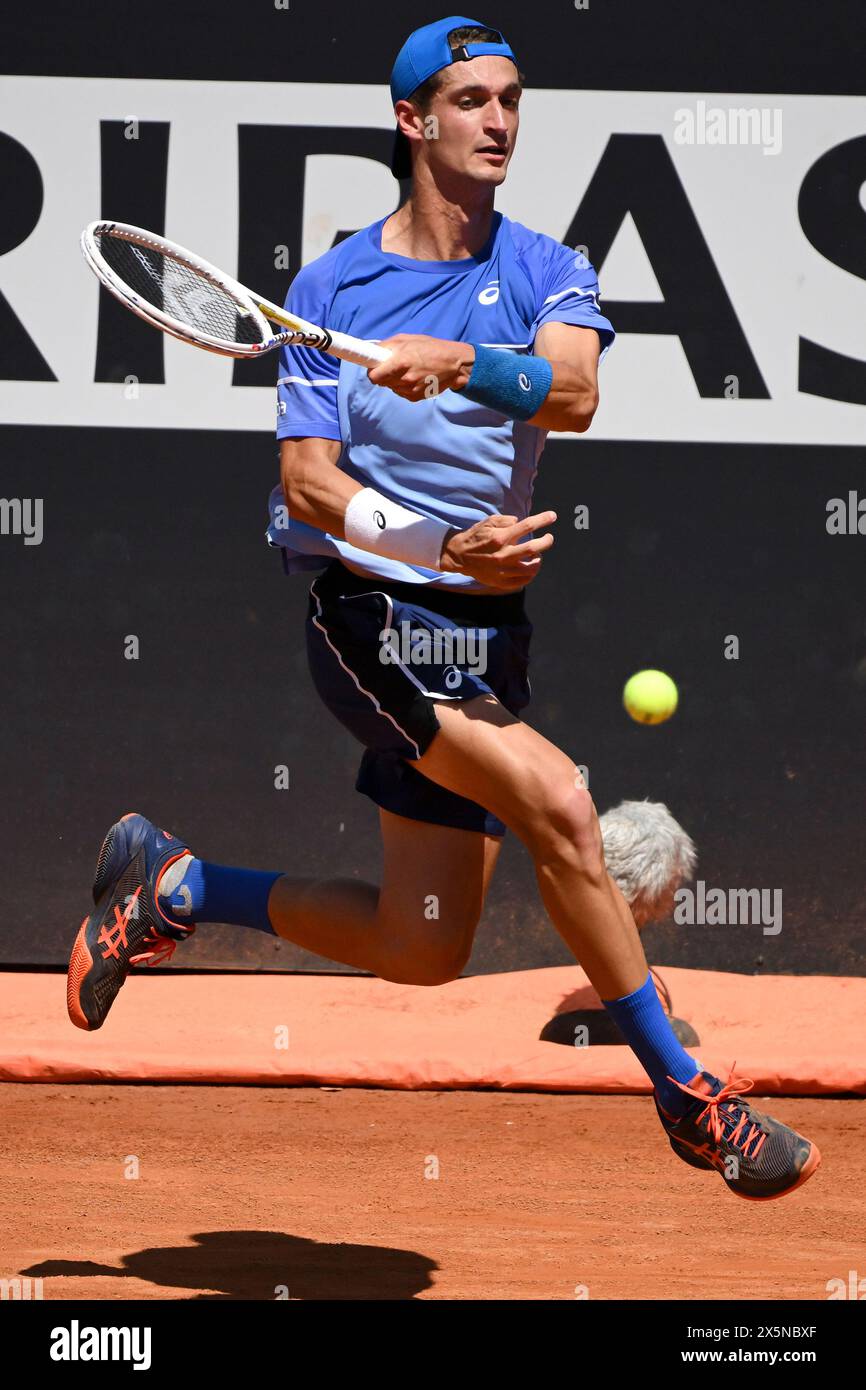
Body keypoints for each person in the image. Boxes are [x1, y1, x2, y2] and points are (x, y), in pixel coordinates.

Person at [66, 16, 820, 1200]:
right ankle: (692, 1100)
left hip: (481, 635)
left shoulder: (542, 266)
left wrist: (459, 362)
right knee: (561, 802)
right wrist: (435, 544)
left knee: (421, 946)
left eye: (510, 98)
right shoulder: (331, 285)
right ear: (413, 121)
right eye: (469, 100)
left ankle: (176, 885)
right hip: (363, 618)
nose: (499, 121)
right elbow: (307, 485)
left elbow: (570, 393)